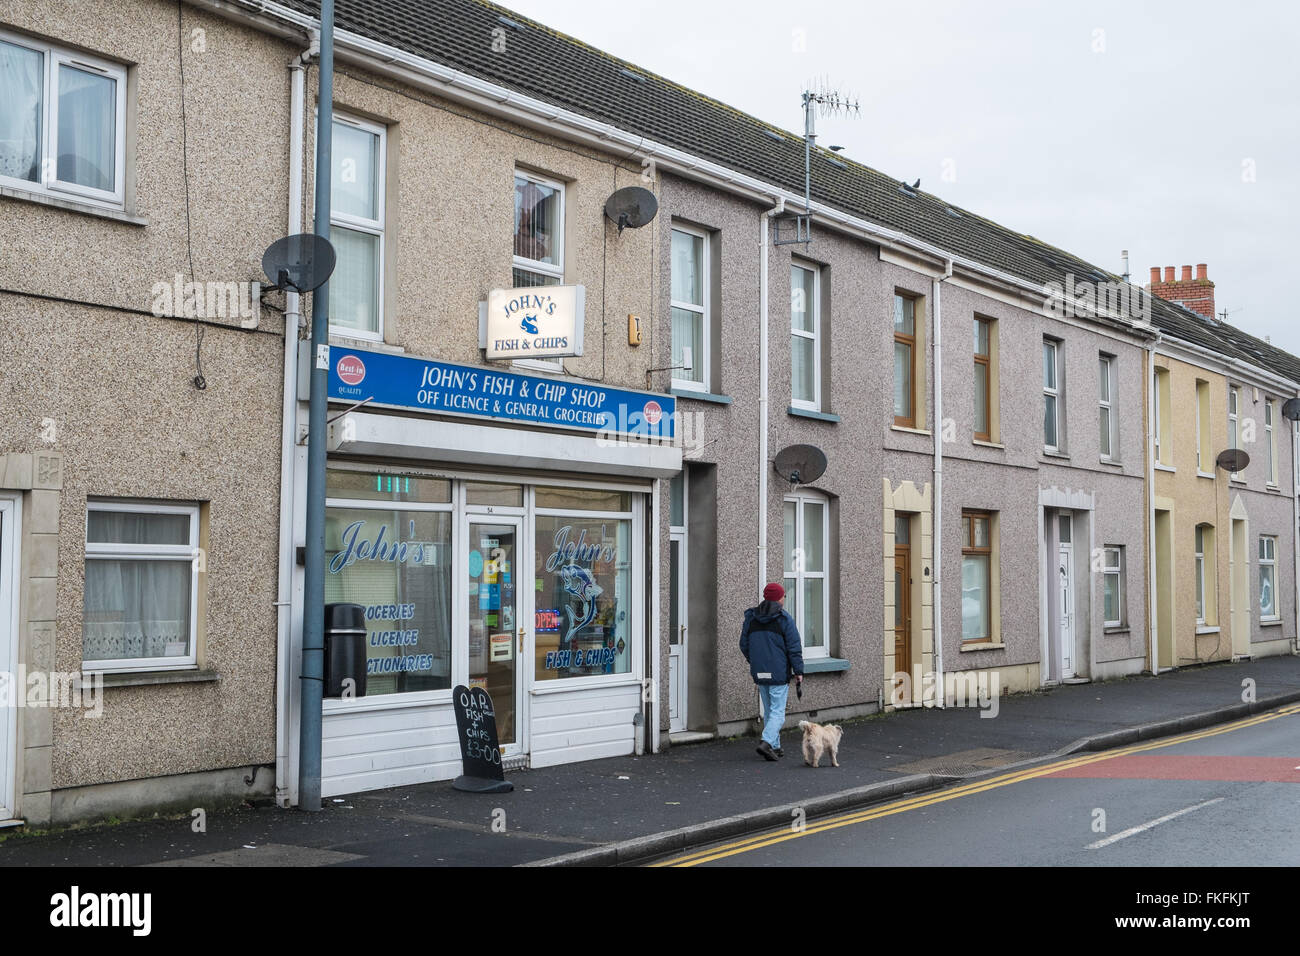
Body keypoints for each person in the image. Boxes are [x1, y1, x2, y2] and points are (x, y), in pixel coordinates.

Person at [739, 582, 804, 761]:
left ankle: (774, 746)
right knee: (778, 713)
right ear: (779, 599)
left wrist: (755, 662)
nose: (784, 598)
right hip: (778, 673)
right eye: (783, 596)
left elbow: (744, 645)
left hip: (759, 672)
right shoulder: (784, 619)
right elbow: (794, 647)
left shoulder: (752, 618)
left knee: (769, 710)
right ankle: (766, 742)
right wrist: (798, 671)